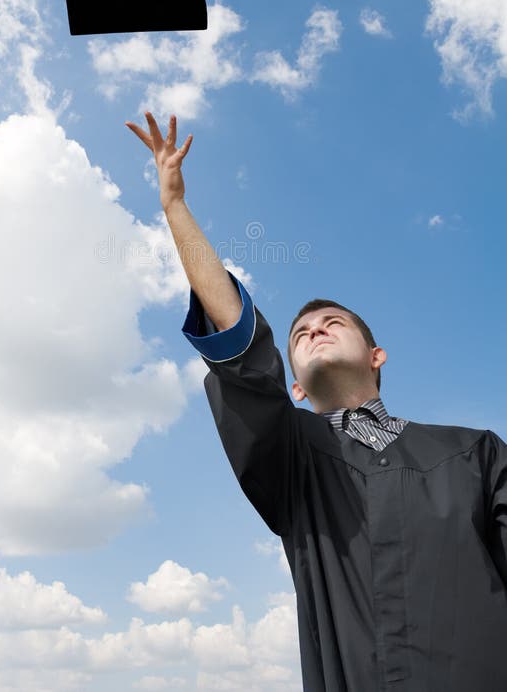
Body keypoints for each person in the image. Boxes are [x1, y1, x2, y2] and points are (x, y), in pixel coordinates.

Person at [126, 112, 507, 692]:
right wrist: (175, 207)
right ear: (296, 387)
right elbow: (241, 351)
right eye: (300, 334)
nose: (314, 331)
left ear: (377, 355)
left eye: (333, 323)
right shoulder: (293, 458)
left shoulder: (473, 453)